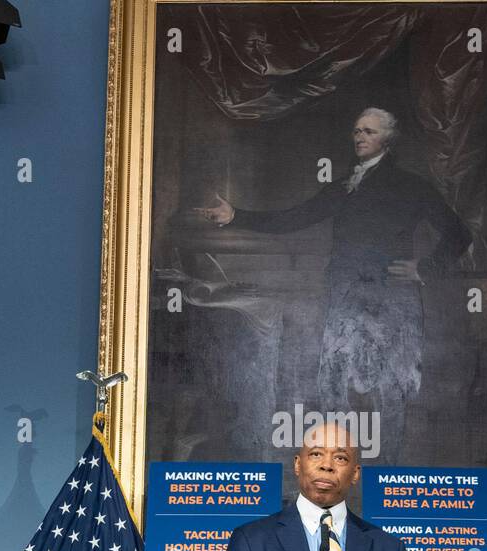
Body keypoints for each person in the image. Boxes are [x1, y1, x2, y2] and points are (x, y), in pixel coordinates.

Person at [196, 108, 471, 460]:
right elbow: (295, 218)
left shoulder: (413, 185)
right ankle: (336, 469)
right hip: (345, 296)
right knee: (332, 382)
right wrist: (236, 216)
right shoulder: (344, 186)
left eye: (369, 131)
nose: (359, 137)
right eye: (357, 130)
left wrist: (426, 268)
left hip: (393, 300)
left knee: (393, 388)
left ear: (387, 139)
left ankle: (387, 472)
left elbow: (460, 233)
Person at [215, 422, 411, 551]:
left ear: (356, 473)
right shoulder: (251, 541)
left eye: (340, 458)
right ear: (298, 465)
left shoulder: (389, 549)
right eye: (316, 454)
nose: (327, 465)